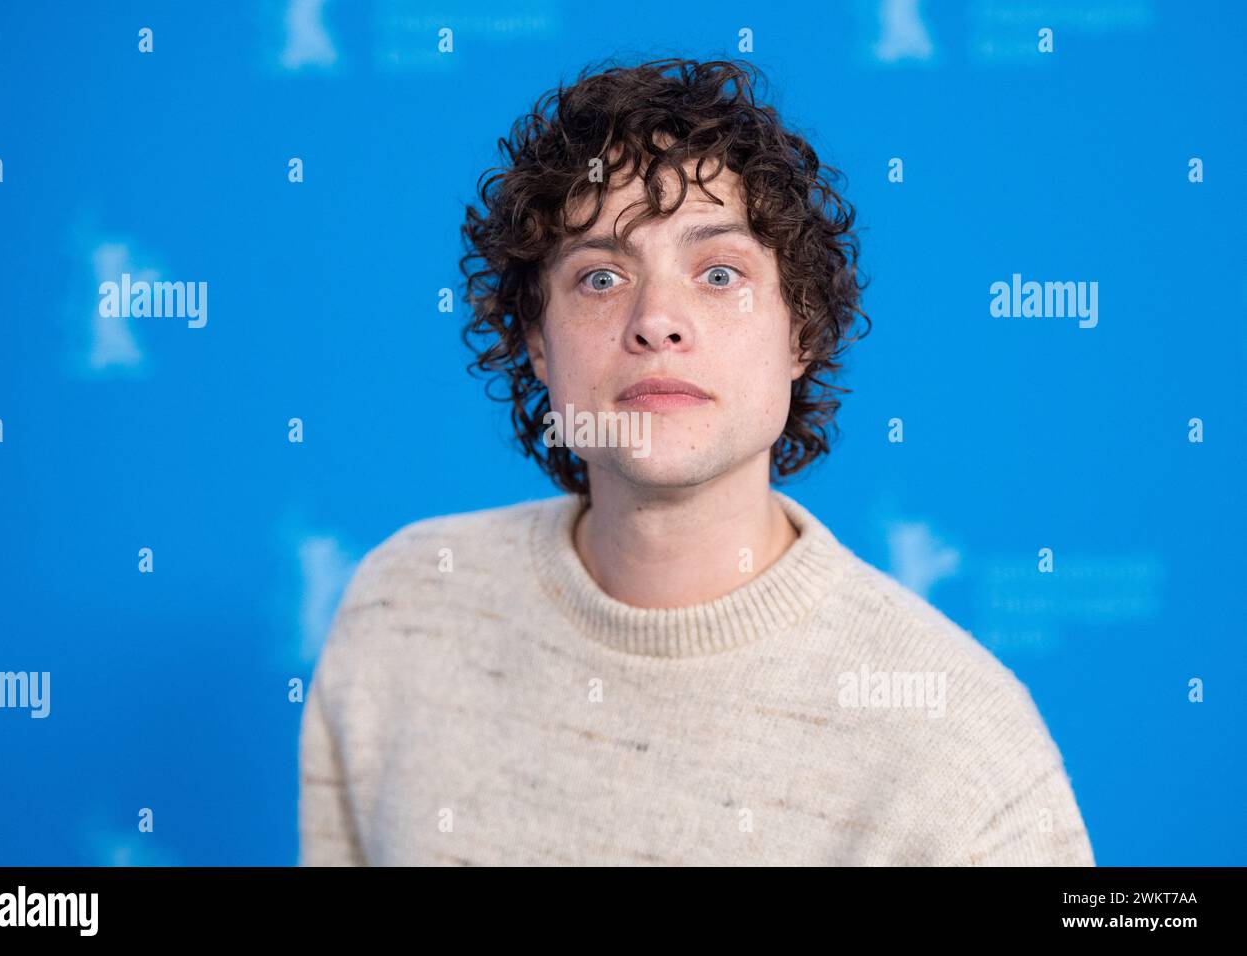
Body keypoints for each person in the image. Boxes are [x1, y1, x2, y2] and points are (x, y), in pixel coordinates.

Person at [298, 57, 1094, 866]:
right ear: (536, 341)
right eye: (601, 276)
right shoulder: (405, 610)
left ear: (802, 333)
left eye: (720, 274)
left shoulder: (958, 741)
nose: (656, 321)